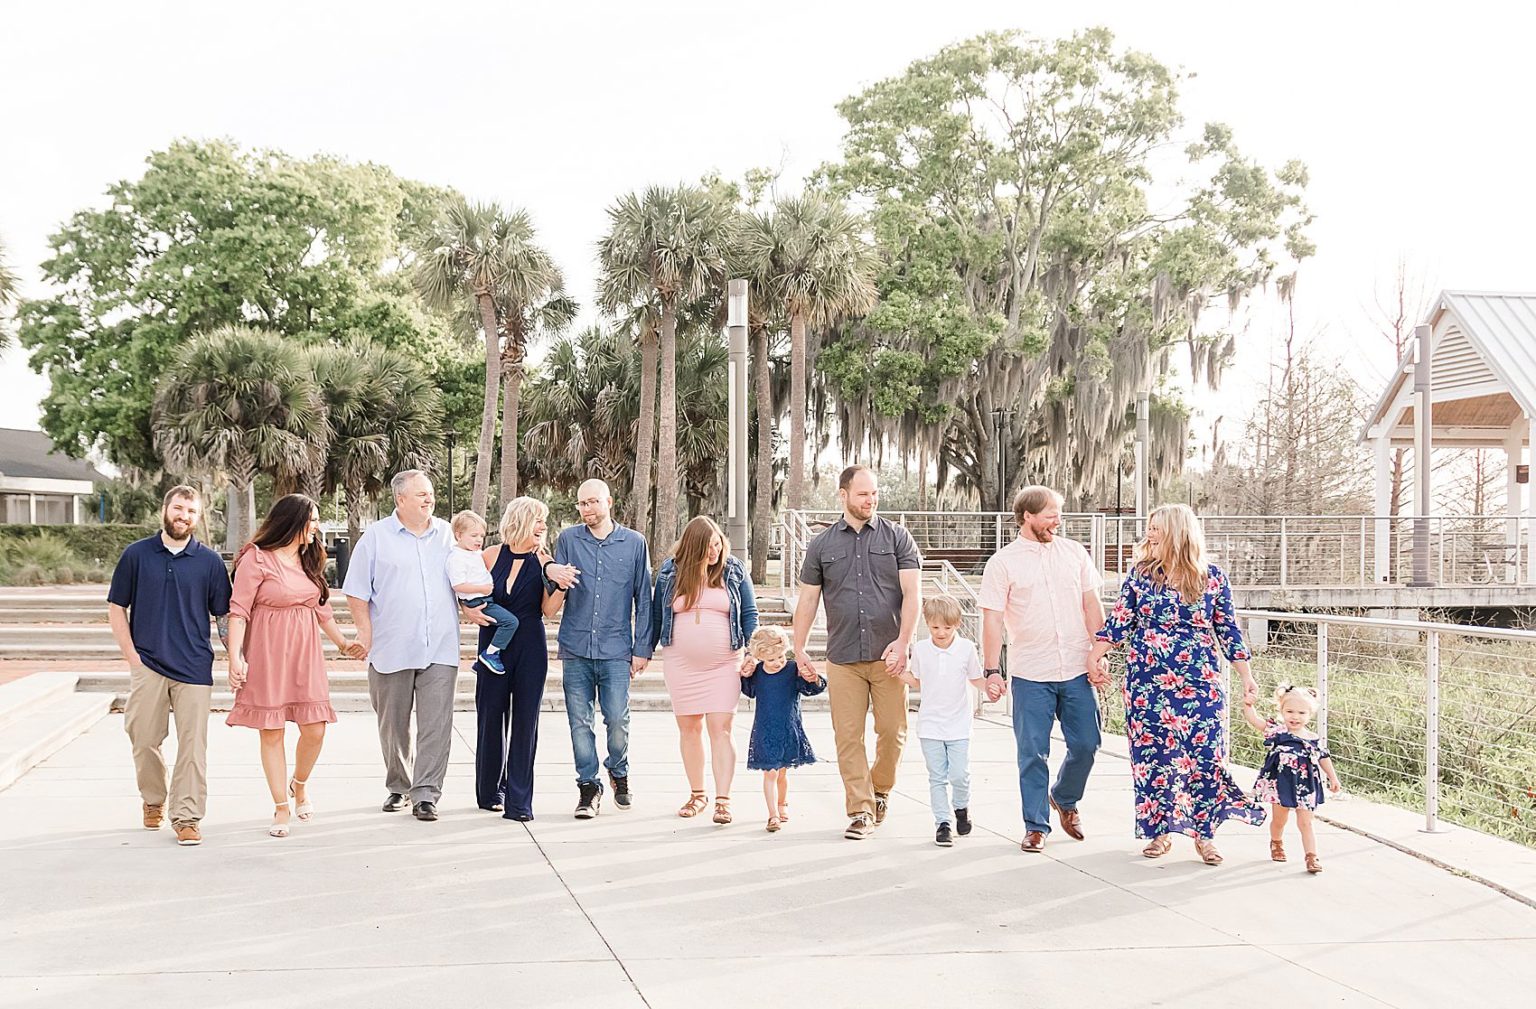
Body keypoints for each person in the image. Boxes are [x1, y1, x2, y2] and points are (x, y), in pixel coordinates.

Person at [1089, 503, 1265, 865]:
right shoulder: (1141, 575)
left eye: (1155, 528)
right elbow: (1121, 621)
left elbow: (1229, 631)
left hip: (1200, 682)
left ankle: (1205, 835)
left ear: (1176, 532)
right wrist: (1097, 652)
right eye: (1149, 528)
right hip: (1147, 683)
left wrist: (1246, 676)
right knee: (1154, 758)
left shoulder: (1212, 577)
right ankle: (1159, 832)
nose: (1149, 533)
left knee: (1205, 758)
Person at [343, 470, 483, 822]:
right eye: (421, 494)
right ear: (400, 499)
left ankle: (426, 794)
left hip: (440, 646)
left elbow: (463, 577)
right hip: (391, 647)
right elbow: (357, 590)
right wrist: (365, 634)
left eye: (431, 493)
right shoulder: (375, 538)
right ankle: (399, 785)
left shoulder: (448, 537)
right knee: (393, 725)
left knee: (437, 723)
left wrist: (470, 605)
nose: (429, 499)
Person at [792, 464, 921, 840]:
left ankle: (880, 790)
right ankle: (860, 809)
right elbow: (808, 601)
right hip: (843, 657)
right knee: (848, 737)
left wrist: (904, 641)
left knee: (893, 732)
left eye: (875, 493)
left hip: (889, 657)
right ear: (844, 495)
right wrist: (798, 647)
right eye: (864, 493)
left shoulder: (897, 537)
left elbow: (913, 593)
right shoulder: (822, 545)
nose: (871, 499)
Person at [225, 494, 365, 837]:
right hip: (267, 653)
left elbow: (322, 610)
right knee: (272, 732)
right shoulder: (255, 559)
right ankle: (280, 807)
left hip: (306, 654)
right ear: (292, 521)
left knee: (315, 728)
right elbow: (239, 611)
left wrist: (344, 643)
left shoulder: (309, 559)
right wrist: (235, 657)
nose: (316, 526)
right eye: (312, 519)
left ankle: (299, 784)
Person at [979, 485, 1107, 854]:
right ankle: (1036, 825)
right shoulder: (1002, 563)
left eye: (1058, 512)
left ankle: (1064, 797)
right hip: (1031, 671)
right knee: (1032, 751)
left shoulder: (1074, 553)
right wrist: (992, 670)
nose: (1057, 520)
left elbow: (1091, 605)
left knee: (1087, 743)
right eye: (1051, 513)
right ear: (1028, 517)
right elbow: (992, 620)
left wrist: (1098, 652)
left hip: (1076, 667)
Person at [107, 486, 232, 847]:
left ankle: (187, 817)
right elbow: (117, 608)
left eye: (191, 511)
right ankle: (153, 799)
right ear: (165, 509)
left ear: (199, 517)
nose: (184, 516)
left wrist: (236, 656)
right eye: (178, 508)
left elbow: (222, 615)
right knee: (143, 739)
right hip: (148, 663)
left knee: (193, 748)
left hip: (194, 666)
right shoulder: (136, 555)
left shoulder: (209, 562)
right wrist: (133, 658)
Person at [546, 478, 653, 818]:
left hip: (616, 649)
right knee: (580, 722)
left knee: (618, 722)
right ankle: (588, 787)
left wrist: (642, 648)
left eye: (593, 502)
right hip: (576, 646)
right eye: (581, 504)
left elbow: (644, 599)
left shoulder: (634, 543)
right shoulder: (568, 540)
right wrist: (553, 571)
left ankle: (618, 770)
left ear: (609, 502)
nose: (587, 509)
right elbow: (555, 586)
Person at [650, 516, 758, 826]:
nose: (714, 550)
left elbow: (749, 614)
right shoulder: (671, 571)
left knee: (721, 728)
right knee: (689, 728)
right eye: (708, 545)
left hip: (724, 663)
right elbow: (658, 617)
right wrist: (642, 653)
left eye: (717, 543)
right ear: (693, 545)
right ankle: (698, 794)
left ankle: (723, 800)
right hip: (680, 665)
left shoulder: (733, 569)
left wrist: (754, 652)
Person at [472, 496, 567, 820]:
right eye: (538, 520)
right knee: (489, 717)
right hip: (494, 645)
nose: (543, 526)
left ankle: (519, 802)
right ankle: (488, 792)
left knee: (526, 723)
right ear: (521, 520)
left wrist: (562, 586)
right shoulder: (489, 555)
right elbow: (468, 595)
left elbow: (548, 611)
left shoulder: (544, 561)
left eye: (544, 521)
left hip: (529, 645)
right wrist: (469, 610)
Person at [897, 595, 984, 848]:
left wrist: (993, 686)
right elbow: (918, 680)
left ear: (957, 624)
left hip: (958, 723)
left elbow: (976, 678)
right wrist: (899, 674)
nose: (941, 632)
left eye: (947, 627)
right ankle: (942, 823)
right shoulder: (922, 649)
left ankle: (961, 808)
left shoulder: (966, 648)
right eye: (935, 627)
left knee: (959, 774)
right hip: (930, 724)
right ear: (927, 624)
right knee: (937, 776)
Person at [1242, 683, 1341, 874]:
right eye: (1290, 711)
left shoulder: (1313, 738)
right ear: (1282, 711)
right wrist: (1248, 705)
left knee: (1306, 822)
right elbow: (1255, 721)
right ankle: (1276, 842)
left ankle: (1311, 857)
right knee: (1280, 819)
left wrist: (1333, 778)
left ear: (1309, 714)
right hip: (1281, 783)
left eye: (1301, 713)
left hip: (1306, 785)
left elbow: (1324, 758)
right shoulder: (1278, 732)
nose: (1295, 717)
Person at [741, 626, 825, 832]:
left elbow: (812, 689)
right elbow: (749, 691)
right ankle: (772, 815)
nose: (778, 662)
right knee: (769, 772)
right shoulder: (759, 673)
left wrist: (812, 678)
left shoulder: (791, 669)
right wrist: (744, 675)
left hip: (788, 729)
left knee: (781, 773)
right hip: (765, 730)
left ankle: (782, 803)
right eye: (771, 660)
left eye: (781, 656)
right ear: (760, 658)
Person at [447, 510, 519, 675]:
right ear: (459, 535)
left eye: (481, 536)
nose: (479, 540)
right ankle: (491, 653)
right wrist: (481, 589)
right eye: (474, 535)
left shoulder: (475, 553)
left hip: (485, 597)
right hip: (478, 601)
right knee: (510, 622)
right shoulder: (457, 558)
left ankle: (481, 663)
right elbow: (458, 585)